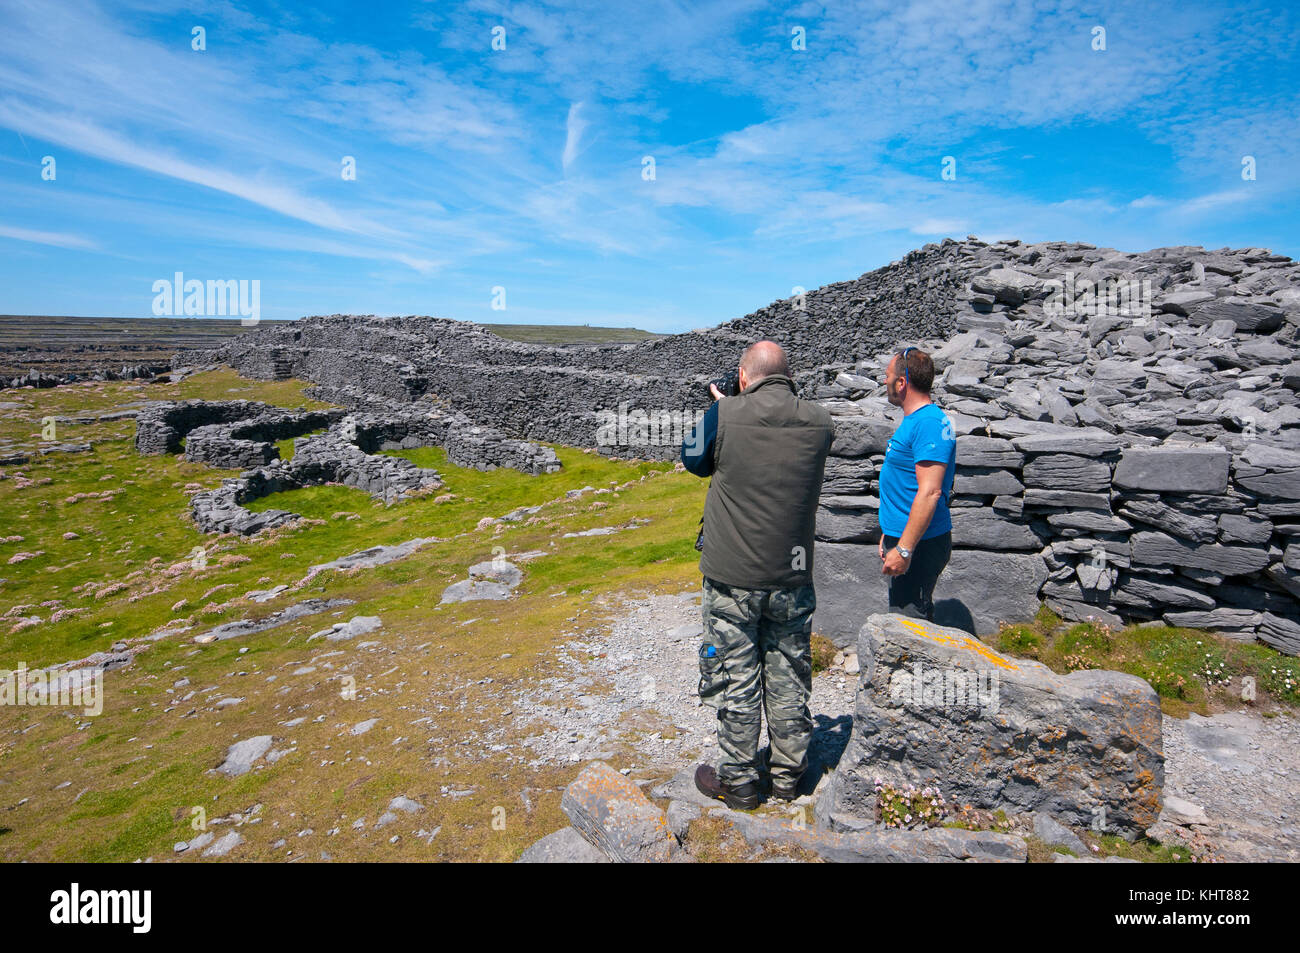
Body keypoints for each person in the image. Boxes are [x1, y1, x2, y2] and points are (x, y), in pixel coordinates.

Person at [680, 340, 834, 810]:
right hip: (792, 576)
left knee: (736, 674)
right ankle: (789, 776)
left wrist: (722, 409)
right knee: (788, 670)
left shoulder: (723, 416)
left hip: (732, 575)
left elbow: (692, 460)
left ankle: (741, 781)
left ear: (745, 376)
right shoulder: (820, 422)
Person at [877, 346, 956, 621]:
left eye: (887, 376)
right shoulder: (916, 420)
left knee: (908, 621)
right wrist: (890, 534)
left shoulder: (929, 423)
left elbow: (931, 491)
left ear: (901, 382)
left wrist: (904, 548)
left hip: (919, 545)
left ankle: (915, 666)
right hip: (904, 537)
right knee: (903, 613)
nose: (884, 382)